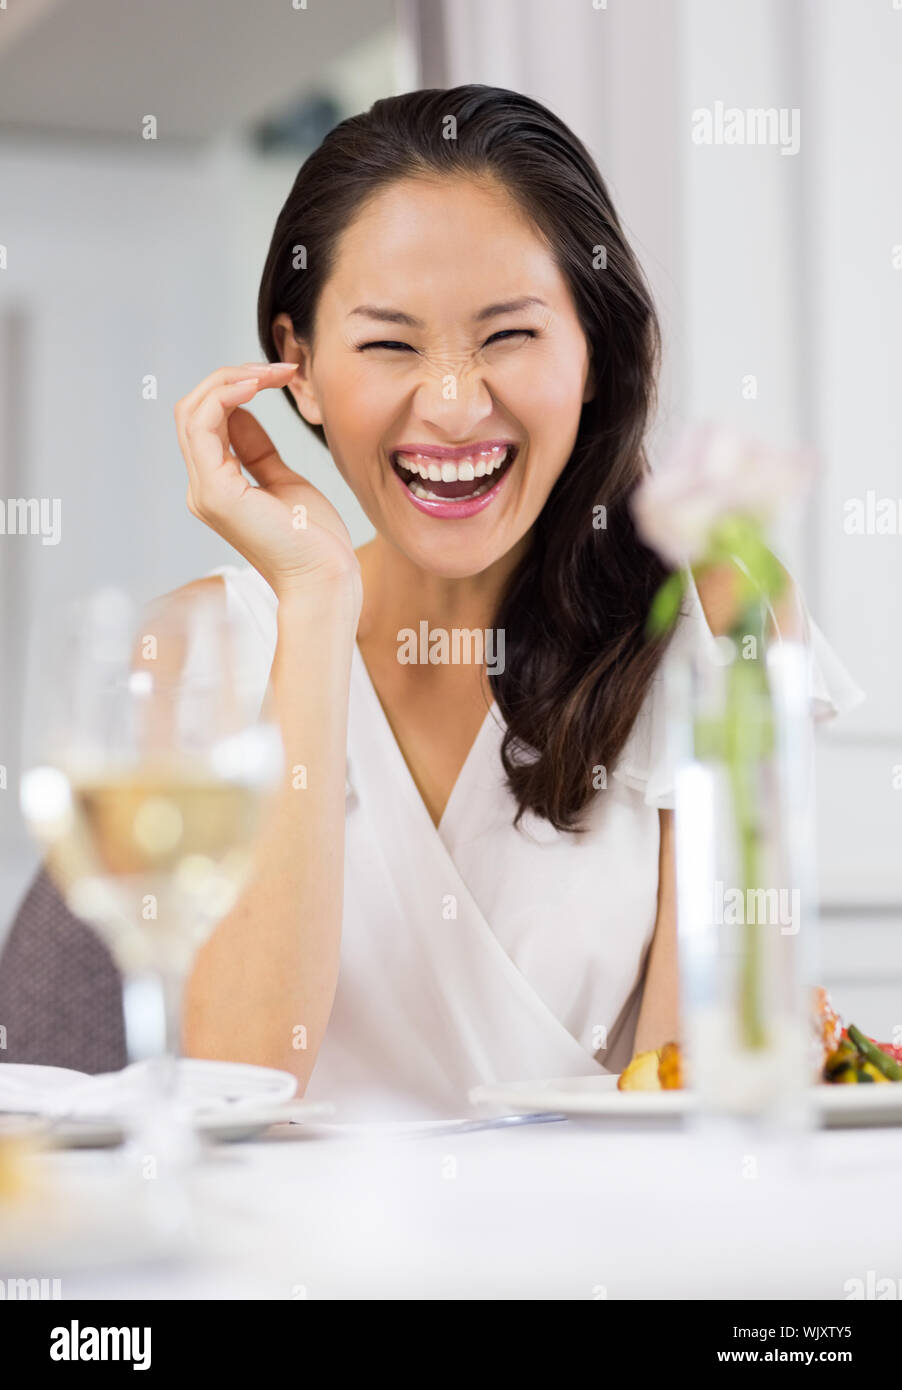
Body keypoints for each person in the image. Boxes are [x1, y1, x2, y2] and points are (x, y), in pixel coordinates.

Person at [170, 86, 860, 1119]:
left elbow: (698, 1096)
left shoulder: (715, 612)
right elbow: (238, 1082)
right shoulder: (210, 641)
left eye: (507, 335)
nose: (452, 404)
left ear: (592, 353)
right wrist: (313, 606)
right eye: (389, 344)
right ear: (299, 368)